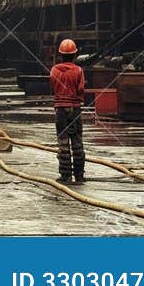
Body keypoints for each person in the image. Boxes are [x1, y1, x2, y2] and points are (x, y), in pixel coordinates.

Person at [50, 38, 87, 184]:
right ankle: (79, 175)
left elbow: (52, 87)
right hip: (75, 109)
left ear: (61, 55)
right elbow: (81, 89)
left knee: (63, 141)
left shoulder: (54, 70)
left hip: (60, 109)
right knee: (77, 141)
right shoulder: (78, 70)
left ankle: (65, 176)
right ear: (75, 55)